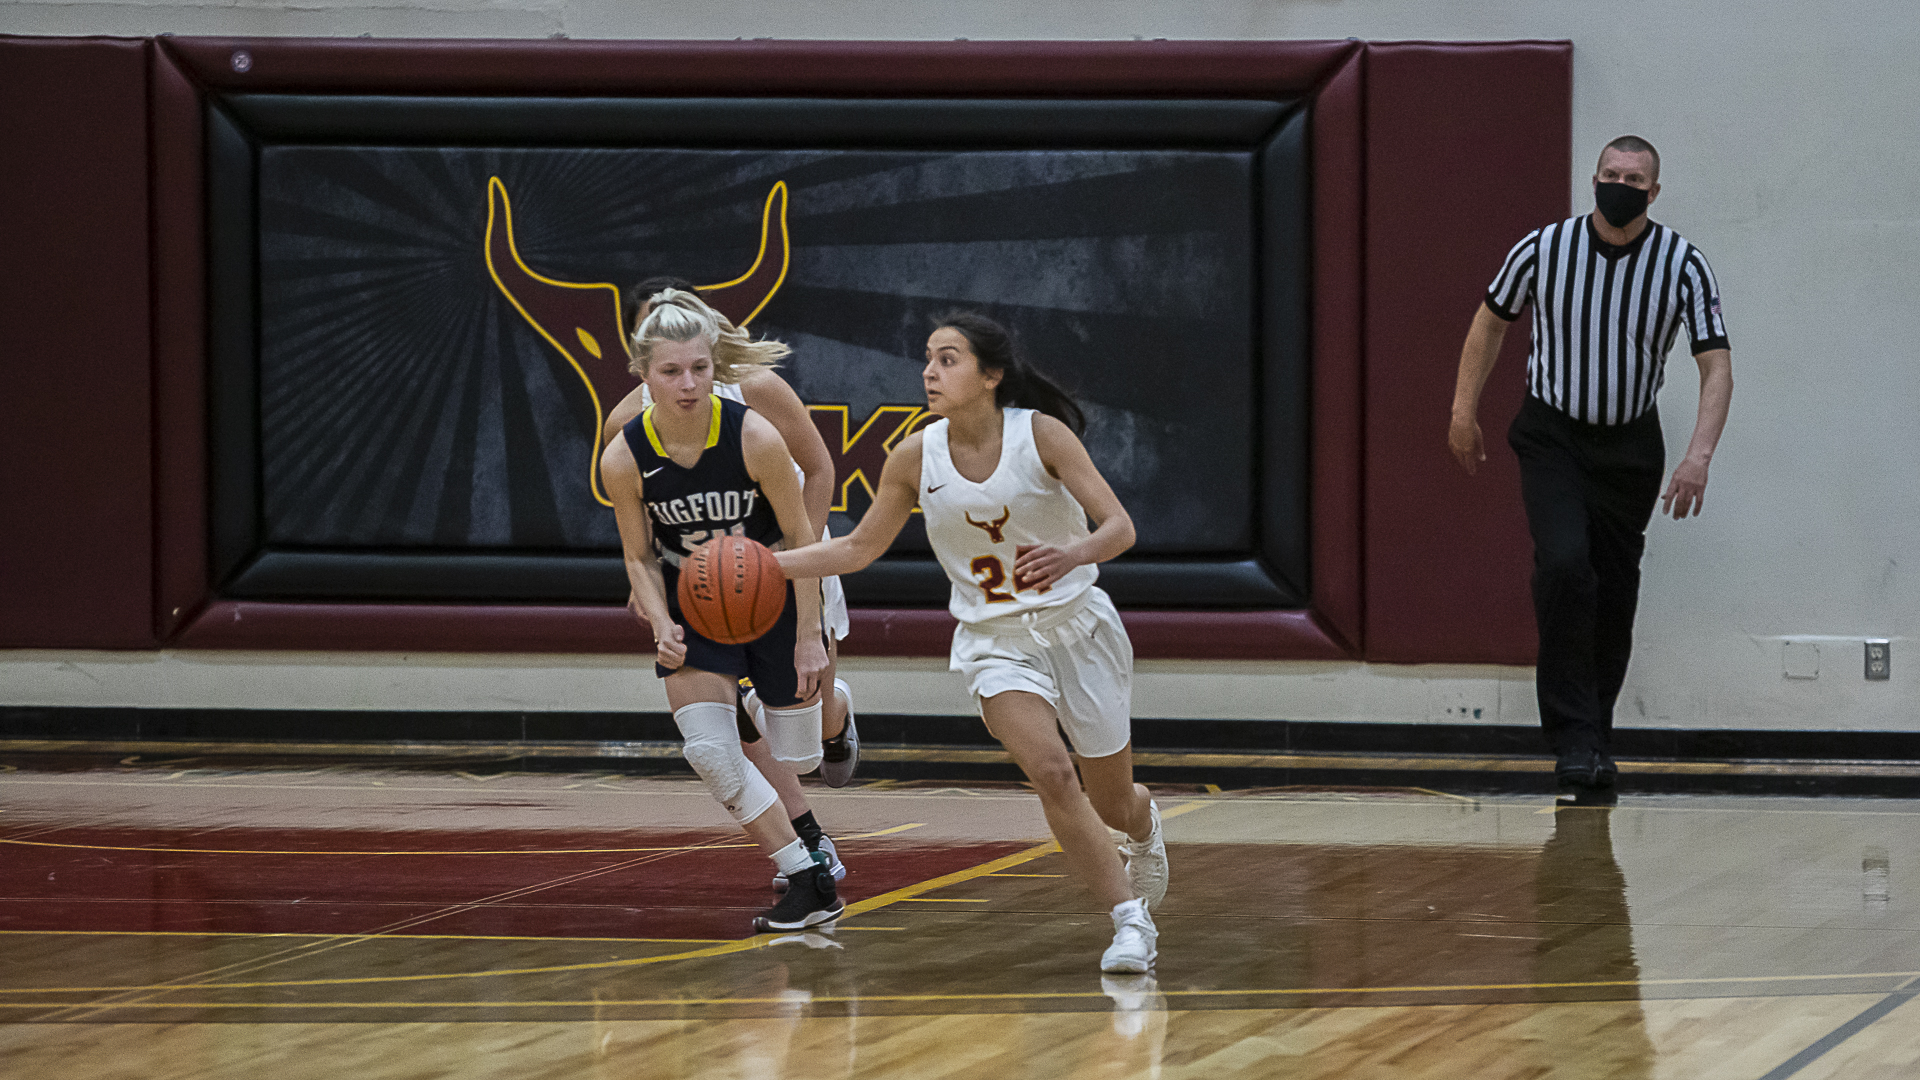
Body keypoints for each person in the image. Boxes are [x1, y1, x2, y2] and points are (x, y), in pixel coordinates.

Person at [773, 311, 1169, 973]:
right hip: (995, 641)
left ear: (991, 375)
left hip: (1080, 629)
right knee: (1049, 772)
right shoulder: (913, 455)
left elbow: (1119, 527)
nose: (930, 371)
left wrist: (1074, 553)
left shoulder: (1041, 435)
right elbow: (857, 547)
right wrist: (764, 564)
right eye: (927, 358)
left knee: (1113, 801)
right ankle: (1129, 923)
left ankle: (1142, 824)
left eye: (948, 358)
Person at [1448, 135, 1733, 789]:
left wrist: (1699, 455)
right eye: (1611, 174)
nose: (1620, 185)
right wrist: (1463, 409)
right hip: (1553, 436)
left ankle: (1596, 732)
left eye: (1635, 179)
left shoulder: (1684, 264)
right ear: (1593, 179)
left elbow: (1716, 366)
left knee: (1613, 586)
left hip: (1630, 446)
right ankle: (1572, 736)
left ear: (1653, 192)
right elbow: (1491, 321)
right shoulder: (1544, 248)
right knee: (1565, 565)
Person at [600, 289, 841, 931]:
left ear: (715, 364)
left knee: (802, 757)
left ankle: (835, 709)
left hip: (777, 590)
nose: (687, 384)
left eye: (699, 369)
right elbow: (638, 559)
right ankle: (807, 876)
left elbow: (801, 540)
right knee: (709, 748)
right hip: (695, 602)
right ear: (643, 372)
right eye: (671, 371)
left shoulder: (755, 434)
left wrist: (810, 636)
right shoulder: (623, 452)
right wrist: (661, 624)